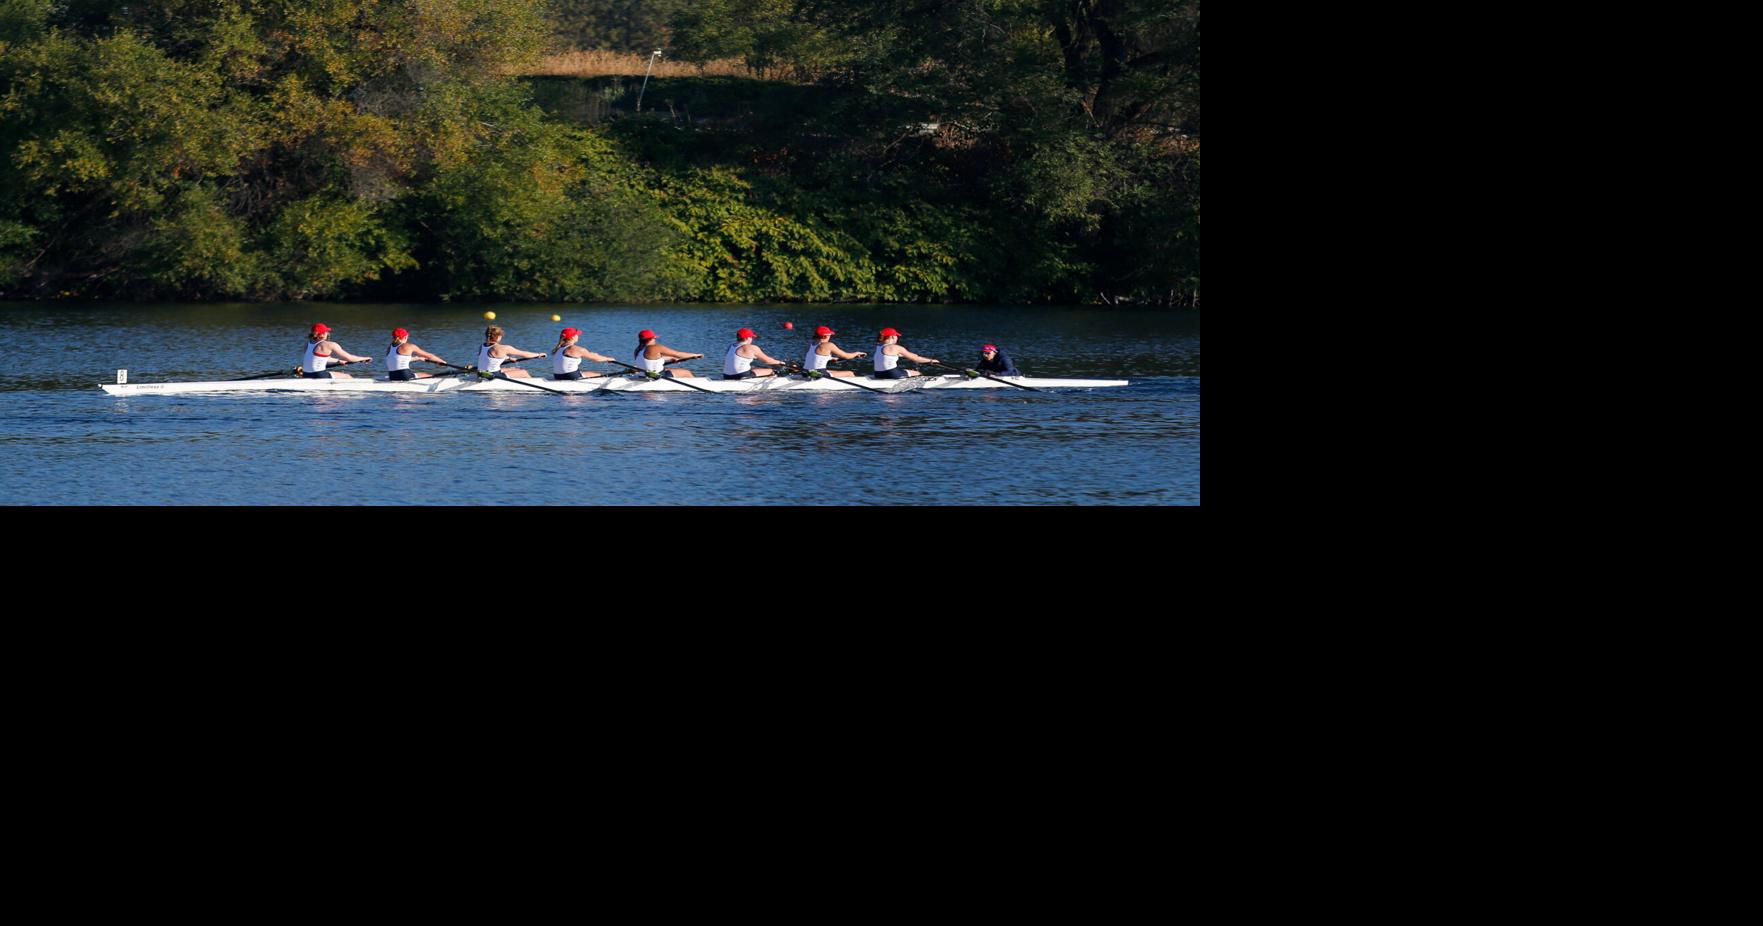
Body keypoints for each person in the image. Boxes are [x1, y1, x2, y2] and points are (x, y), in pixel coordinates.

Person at [302, 323, 370, 380]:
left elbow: (316, 359)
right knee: (347, 376)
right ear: (322, 334)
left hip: (305, 375)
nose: (328, 334)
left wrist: (338, 361)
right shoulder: (330, 344)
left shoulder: (307, 344)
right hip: (319, 375)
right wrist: (364, 358)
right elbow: (350, 358)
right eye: (326, 332)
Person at [475, 326, 545, 379]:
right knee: (524, 372)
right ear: (499, 337)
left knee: (515, 369)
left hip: (481, 374)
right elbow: (525, 354)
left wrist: (508, 358)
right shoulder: (504, 348)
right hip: (492, 376)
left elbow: (489, 358)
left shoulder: (482, 346)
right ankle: (534, 385)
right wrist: (538, 354)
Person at [551, 328, 618, 381]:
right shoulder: (575, 348)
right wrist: (608, 359)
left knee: (591, 374)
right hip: (571, 377)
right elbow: (596, 359)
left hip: (557, 376)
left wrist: (592, 354)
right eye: (576, 334)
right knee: (603, 377)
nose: (578, 336)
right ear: (572, 337)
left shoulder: (558, 349)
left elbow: (590, 354)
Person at [872, 327, 940, 379]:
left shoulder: (878, 346)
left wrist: (912, 355)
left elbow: (889, 356)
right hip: (891, 374)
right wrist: (931, 361)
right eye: (896, 336)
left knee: (905, 370)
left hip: (878, 374)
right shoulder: (896, 347)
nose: (897, 338)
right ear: (892, 337)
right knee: (917, 373)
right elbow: (916, 359)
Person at [633, 329, 704, 378]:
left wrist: (671, 359)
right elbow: (679, 354)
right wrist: (694, 355)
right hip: (656, 376)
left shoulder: (638, 349)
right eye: (655, 338)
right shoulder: (655, 347)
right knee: (686, 372)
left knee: (667, 369)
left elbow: (650, 361)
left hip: (643, 375)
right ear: (652, 338)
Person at [722, 328, 788, 379]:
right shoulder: (751, 348)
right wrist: (780, 362)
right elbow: (767, 361)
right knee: (774, 370)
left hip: (726, 376)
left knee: (754, 368)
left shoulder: (730, 346)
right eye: (751, 337)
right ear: (747, 338)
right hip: (741, 375)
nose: (752, 339)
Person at [801, 326, 868, 378]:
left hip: (806, 372)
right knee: (850, 373)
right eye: (829, 335)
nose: (830, 336)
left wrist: (854, 357)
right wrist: (857, 353)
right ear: (824, 336)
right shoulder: (829, 345)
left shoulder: (811, 344)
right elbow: (847, 356)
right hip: (818, 374)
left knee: (834, 371)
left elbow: (819, 359)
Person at [384, 328, 448, 381]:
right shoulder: (409, 346)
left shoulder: (389, 348)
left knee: (419, 374)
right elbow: (429, 356)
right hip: (405, 376)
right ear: (405, 337)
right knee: (430, 376)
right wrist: (441, 362)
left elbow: (398, 360)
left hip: (392, 377)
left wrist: (418, 358)